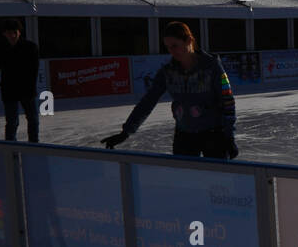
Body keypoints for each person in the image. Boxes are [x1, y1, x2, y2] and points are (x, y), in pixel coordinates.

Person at [101, 22, 237, 158]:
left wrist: (229, 136)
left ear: (189, 41)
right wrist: (126, 132)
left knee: (217, 178)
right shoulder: (168, 72)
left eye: (175, 46)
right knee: (183, 177)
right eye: (168, 47)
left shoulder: (212, 67)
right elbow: (148, 101)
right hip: (184, 136)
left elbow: (227, 101)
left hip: (213, 135)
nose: (172, 51)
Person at [0, 18, 41, 143]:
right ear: (4, 34)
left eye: (14, 32)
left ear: (19, 32)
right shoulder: (1, 49)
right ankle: (11, 148)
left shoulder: (30, 47)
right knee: (12, 121)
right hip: (9, 89)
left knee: (33, 119)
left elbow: (34, 70)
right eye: (9, 33)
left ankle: (34, 145)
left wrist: (30, 88)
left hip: (26, 89)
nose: (12, 35)